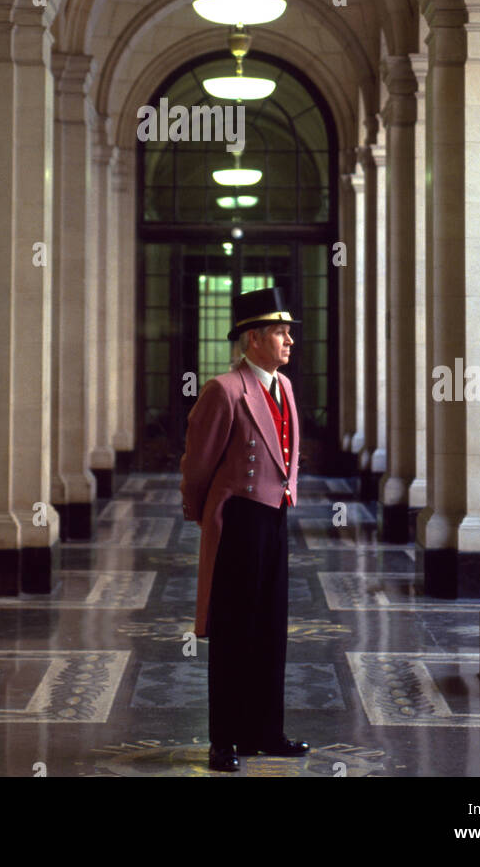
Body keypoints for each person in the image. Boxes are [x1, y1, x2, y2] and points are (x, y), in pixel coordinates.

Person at [180, 286, 309, 772]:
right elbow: (198, 464)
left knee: (271, 628)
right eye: (280, 332)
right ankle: (224, 741)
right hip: (238, 519)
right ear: (253, 338)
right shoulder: (224, 390)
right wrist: (200, 511)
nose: (289, 341)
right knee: (234, 631)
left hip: (275, 515)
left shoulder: (285, 387)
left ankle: (266, 731)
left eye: (289, 332)